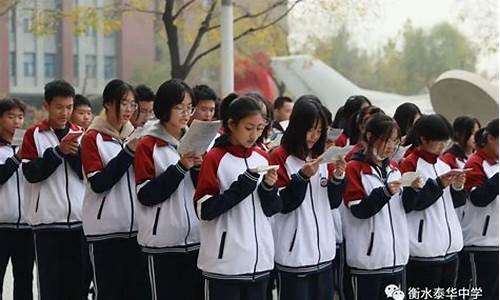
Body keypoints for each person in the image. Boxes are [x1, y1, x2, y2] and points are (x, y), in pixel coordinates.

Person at [194, 95, 281, 300]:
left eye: (260, 128)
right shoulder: (215, 157)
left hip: (260, 263)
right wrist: (243, 186)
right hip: (225, 267)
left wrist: (268, 188)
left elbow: (272, 209)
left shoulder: (262, 156)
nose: (254, 135)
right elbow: (204, 209)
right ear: (232, 124)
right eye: (249, 128)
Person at [270, 96, 345, 300]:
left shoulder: (321, 157)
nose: (314, 136)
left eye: (319, 131)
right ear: (297, 126)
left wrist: (338, 176)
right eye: (310, 129)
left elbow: (332, 202)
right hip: (295, 256)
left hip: (324, 255)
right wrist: (302, 177)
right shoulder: (279, 157)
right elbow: (282, 204)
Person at [135, 79, 203, 299]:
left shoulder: (196, 140)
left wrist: (198, 169)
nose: (186, 113)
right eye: (179, 107)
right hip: (162, 243)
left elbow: (202, 190)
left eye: (189, 107)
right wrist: (181, 167)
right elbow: (146, 194)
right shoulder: (148, 144)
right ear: (164, 108)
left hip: (195, 240)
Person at [81, 79, 148, 300]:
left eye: (133, 104)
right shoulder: (93, 138)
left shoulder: (137, 136)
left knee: (136, 292)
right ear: (108, 104)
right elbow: (99, 183)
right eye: (124, 103)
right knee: (109, 292)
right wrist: (128, 152)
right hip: (105, 232)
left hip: (137, 231)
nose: (129, 109)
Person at [20, 80, 87, 300]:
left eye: (69, 107)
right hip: (47, 225)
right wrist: (57, 152)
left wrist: (74, 154)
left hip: (79, 224)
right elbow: (30, 172)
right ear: (46, 106)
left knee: (77, 287)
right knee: (51, 287)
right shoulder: (34, 134)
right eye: (59, 107)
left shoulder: (81, 134)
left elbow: (87, 174)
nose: (65, 113)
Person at [342, 114, 411, 300]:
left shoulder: (395, 168)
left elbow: (404, 208)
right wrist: (385, 192)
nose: (390, 146)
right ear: (370, 136)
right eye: (386, 140)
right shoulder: (354, 168)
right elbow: (358, 210)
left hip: (396, 260)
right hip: (367, 263)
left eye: (395, 141)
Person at [399, 114, 466, 291]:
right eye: (439, 141)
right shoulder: (410, 164)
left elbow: (455, 204)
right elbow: (410, 204)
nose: (443, 146)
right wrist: (438, 184)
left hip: (450, 249)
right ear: (423, 139)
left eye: (446, 141)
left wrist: (458, 187)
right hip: (424, 252)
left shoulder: (443, 165)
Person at [0, 98, 34, 300]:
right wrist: (16, 158)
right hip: (2, 226)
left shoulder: (29, 146)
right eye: (11, 117)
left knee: (24, 279)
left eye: (20, 117)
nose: (17, 122)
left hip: (27, 227)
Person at [462, 119, 498, 300]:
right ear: (491, 138)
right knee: (480, 293)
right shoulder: (475, 162)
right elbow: (478, 198)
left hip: (497, 243)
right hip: (481, 244)